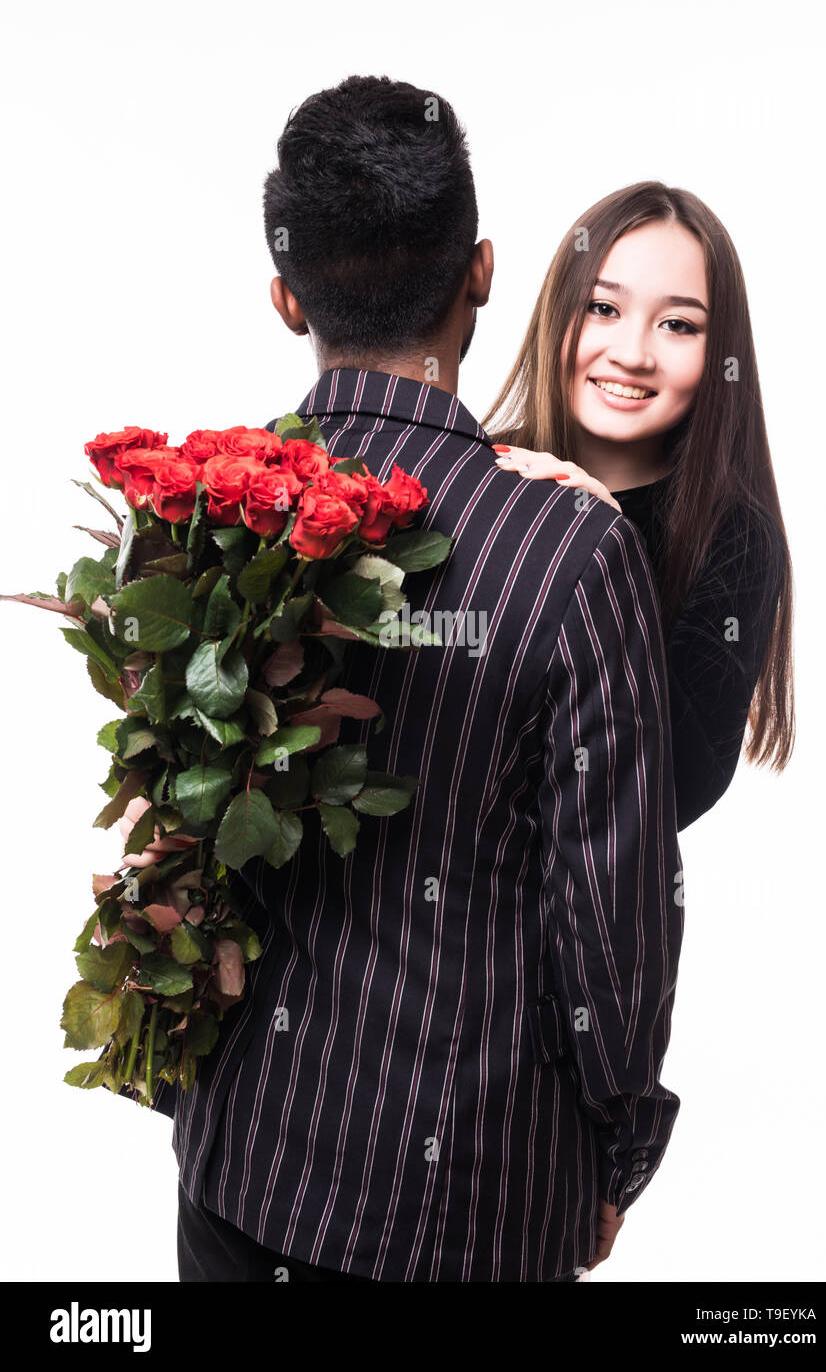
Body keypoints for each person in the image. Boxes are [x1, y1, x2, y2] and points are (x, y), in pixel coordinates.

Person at [118, 75, 684, 1283]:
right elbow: (611, 921)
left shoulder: (202, 522)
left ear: (285, 298)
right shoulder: (570, 554)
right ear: (479, 271)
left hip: (239, 1178)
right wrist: (617, 1152)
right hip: (464, 1215)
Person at [484, 183, 795, 829]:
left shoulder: (736, 538)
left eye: (678, 324)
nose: (632, 354)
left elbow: (679, 787)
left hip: (570, 921)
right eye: (602, 308)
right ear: (557, 312)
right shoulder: (477, 472)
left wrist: (611, 549)